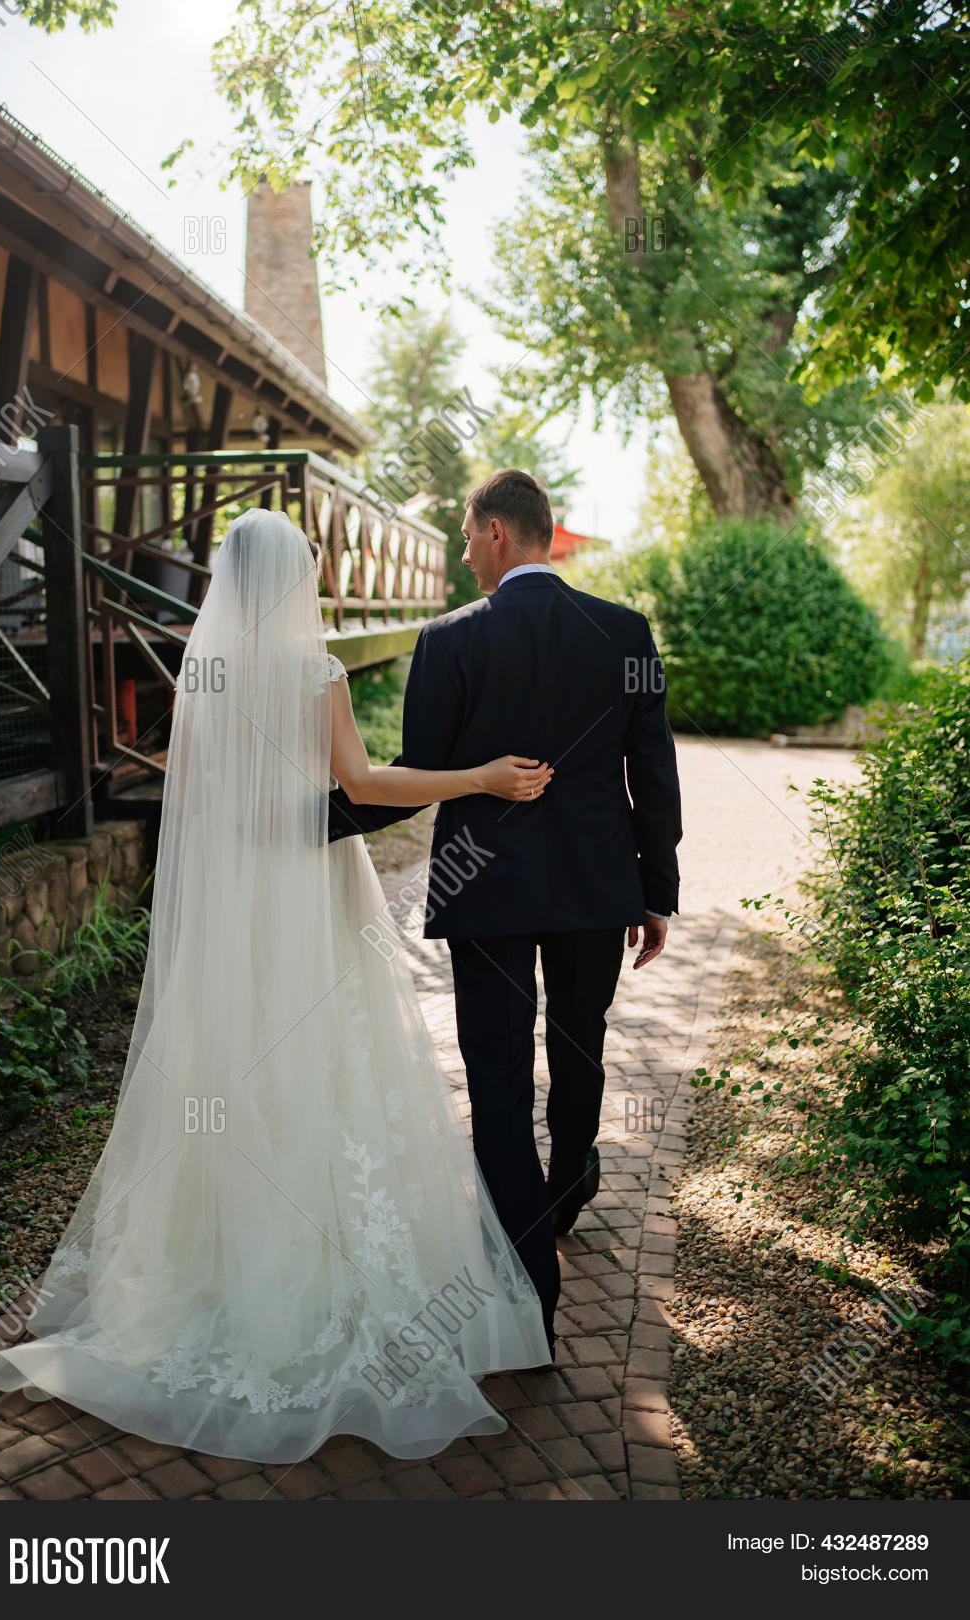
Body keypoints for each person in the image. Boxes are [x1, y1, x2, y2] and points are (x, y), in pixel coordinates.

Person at [0, 508, 554, 1464]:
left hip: (234, 895)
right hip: (309, 884)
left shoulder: (205, 670)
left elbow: (199, 790)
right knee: (331, 1056)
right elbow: (365, 785)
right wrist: (481, 779)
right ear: (293, 579)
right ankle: (313, 1269)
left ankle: (220, 1264)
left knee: (230, 1061)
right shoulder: (315, 670)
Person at [327, 469, 683, 1352]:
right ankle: (570, 1184)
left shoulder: (448, 640)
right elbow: (655, 772)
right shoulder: (625, 632)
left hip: (483, 892)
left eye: (462, 532)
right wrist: (656, 890)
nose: (459, 551)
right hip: (601, 890)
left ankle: (530, 1286)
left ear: (495, 533)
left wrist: (306, 821)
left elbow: (412, 777)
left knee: (494, 1076)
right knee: (579, 1040)